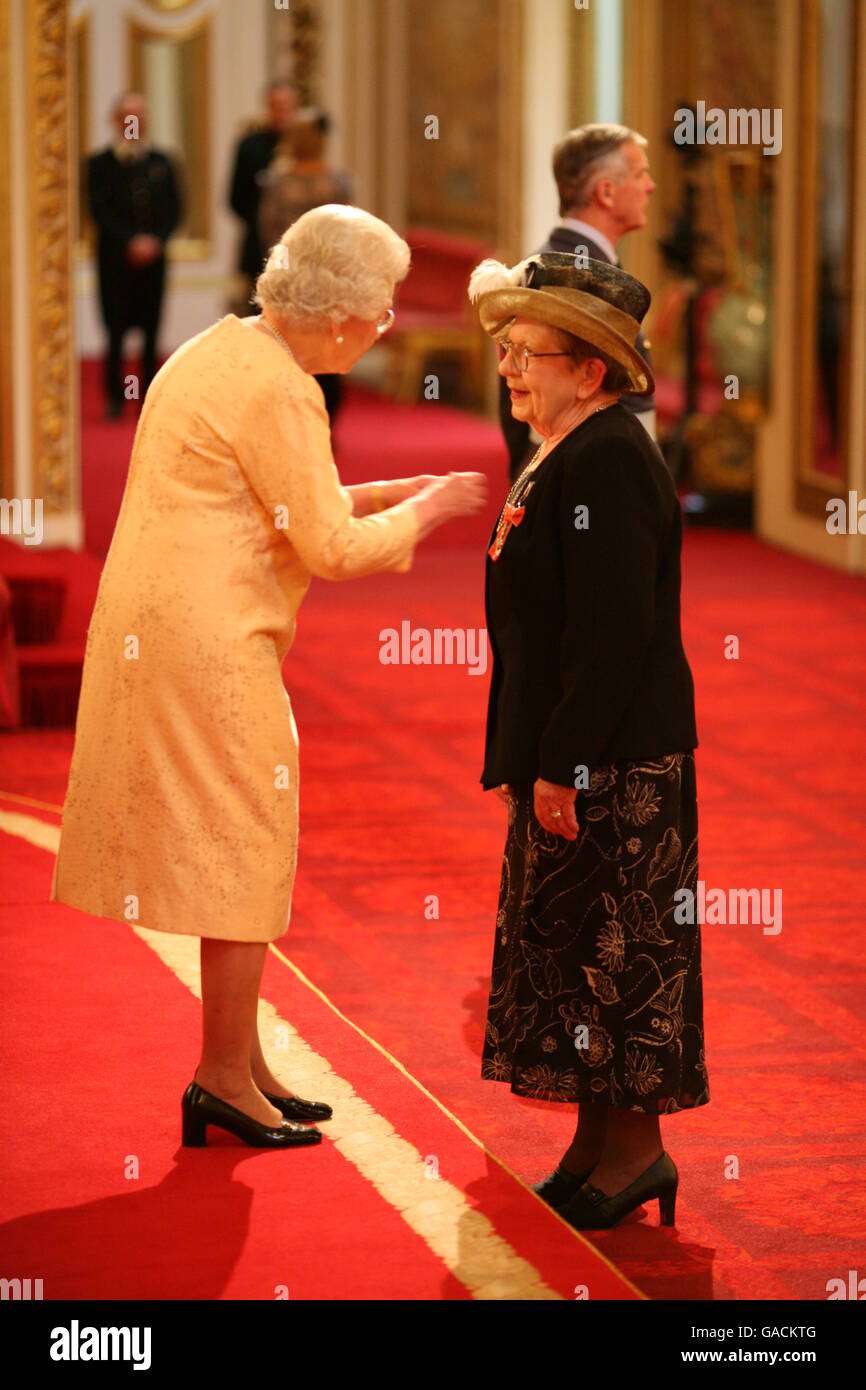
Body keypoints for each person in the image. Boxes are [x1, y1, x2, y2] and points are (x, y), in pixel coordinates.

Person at [50, 205, 487, 1152]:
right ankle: (219, 1076)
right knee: (242, 841)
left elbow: (295, 497)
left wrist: (393, 497)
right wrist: (435, 509)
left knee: (228, 837)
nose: (381, 332)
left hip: (156, 625)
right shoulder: (285, 390)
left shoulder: (223, 349)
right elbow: (329, 544)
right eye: (380, 314)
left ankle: (240, 1062)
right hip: (209, 638)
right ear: (339, 315)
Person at [469, 250, 707, 1230]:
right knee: (575, 954)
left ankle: (638, 1151)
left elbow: (609, 638)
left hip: (613, 763)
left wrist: (561, 765)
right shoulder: (563, 441)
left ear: (590, 371)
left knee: (620, 955)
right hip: (577, 751)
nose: (509, 369)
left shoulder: (606, 457)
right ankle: (594, 1143)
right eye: (507, 350)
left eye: (529, 353)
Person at [500, 123, 657, 480]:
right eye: (641, 174)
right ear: (607, 191)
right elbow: (542, 417)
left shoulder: (548, 263)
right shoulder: (577, 279)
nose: (650, 185)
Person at [257, 106, 355, 427]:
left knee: (296, 352)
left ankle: (301, 423)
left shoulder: (280, 184)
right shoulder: (336, 182)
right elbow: (347, 233)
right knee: (327, 351)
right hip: (325, 281)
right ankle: (323, 421)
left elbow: (271, 236)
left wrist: (281, 279)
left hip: (300, 282)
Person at [87, 92, 181, 418]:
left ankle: (145, 397)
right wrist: (129, 241)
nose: (134, 122)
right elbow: (98, 211)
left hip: (152, 263)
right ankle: (117, 397)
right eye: (128, 116)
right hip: (116, 263)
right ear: (116, 120)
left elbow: (175, 210)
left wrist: (155, 241)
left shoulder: (162, 162)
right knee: (116, 331)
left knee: (150, 332)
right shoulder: (100, 165)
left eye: (139, 115)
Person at [228, 80, 298, 313]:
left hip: (299, 250)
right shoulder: (250, 147)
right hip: (258, 249)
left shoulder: (304, 148)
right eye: (275, 105)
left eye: (286, 106)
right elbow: (235, 200)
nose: (281, 112)